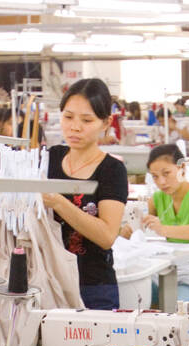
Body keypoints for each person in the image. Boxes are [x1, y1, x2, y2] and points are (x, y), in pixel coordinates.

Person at [43, 78, 129, 310]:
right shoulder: (48, 159)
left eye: (87, 120)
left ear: (106, 123)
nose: (75, 127)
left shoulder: (112, 170)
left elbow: (106, 235)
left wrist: (59, 202)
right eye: (68, 117)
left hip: (93, 287)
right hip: (48, 283)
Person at [137, 143, 189, 243]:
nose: (161, 182)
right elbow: (137, 224)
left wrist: (162, 229)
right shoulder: (157, 198)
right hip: (180, 256)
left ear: (182, 168)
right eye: (155, 176)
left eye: (166, 173)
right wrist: (130, 227)